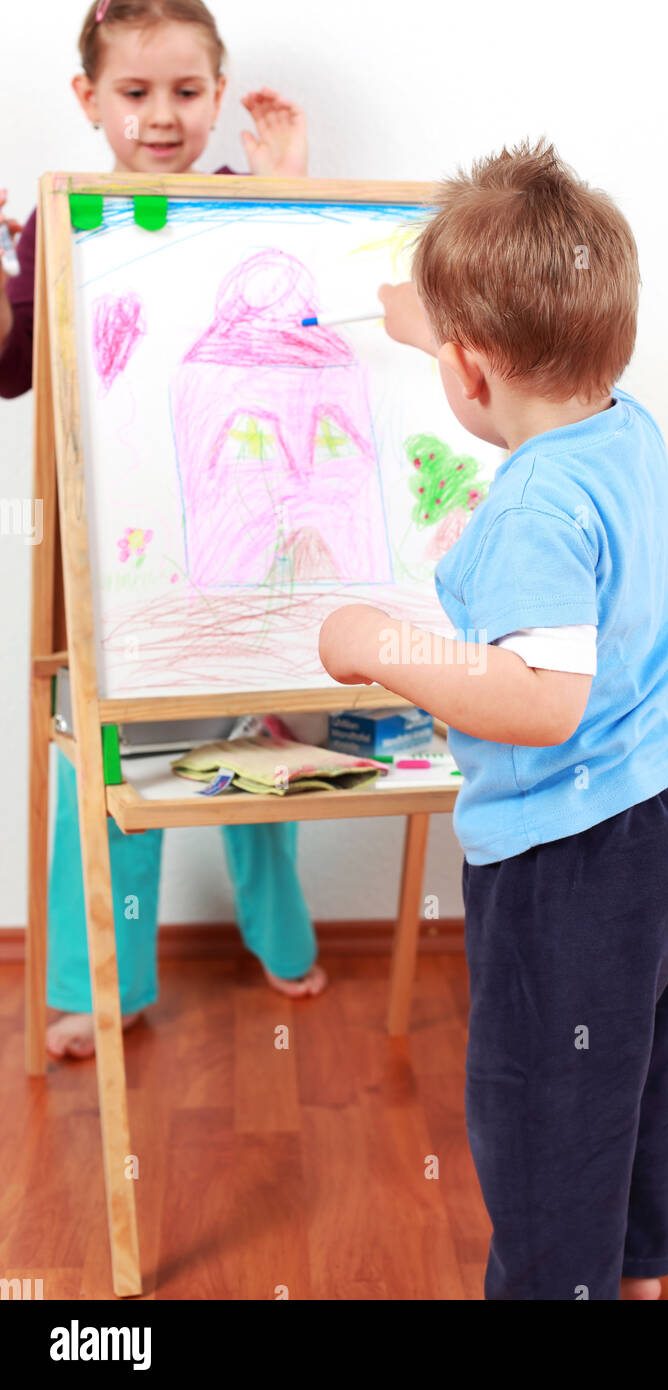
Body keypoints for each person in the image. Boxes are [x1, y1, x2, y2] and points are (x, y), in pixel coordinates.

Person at [319, 139, 668, 1300]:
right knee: (634, 1098)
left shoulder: (533, 507)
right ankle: (635, 1283)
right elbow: (530, 349)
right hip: (667, 828)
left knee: (549, 1135)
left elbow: (541, 701)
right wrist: (432, 329)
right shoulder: (625, 428)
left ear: (471, 369)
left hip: (573, 869)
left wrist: (377, 645)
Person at [0, 0, 326, 1061]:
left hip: (234, 538)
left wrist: (286, 181)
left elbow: (302, 313)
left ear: (218, 96)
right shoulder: (59, 216)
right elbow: (15, 370)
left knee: (252, 755)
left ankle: (279, 941)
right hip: (107, 556)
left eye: (186, 92)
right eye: (135, 93)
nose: (160, 116)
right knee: (100, 775)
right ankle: (99, 985)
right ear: (88, 99)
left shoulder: (229, 204)